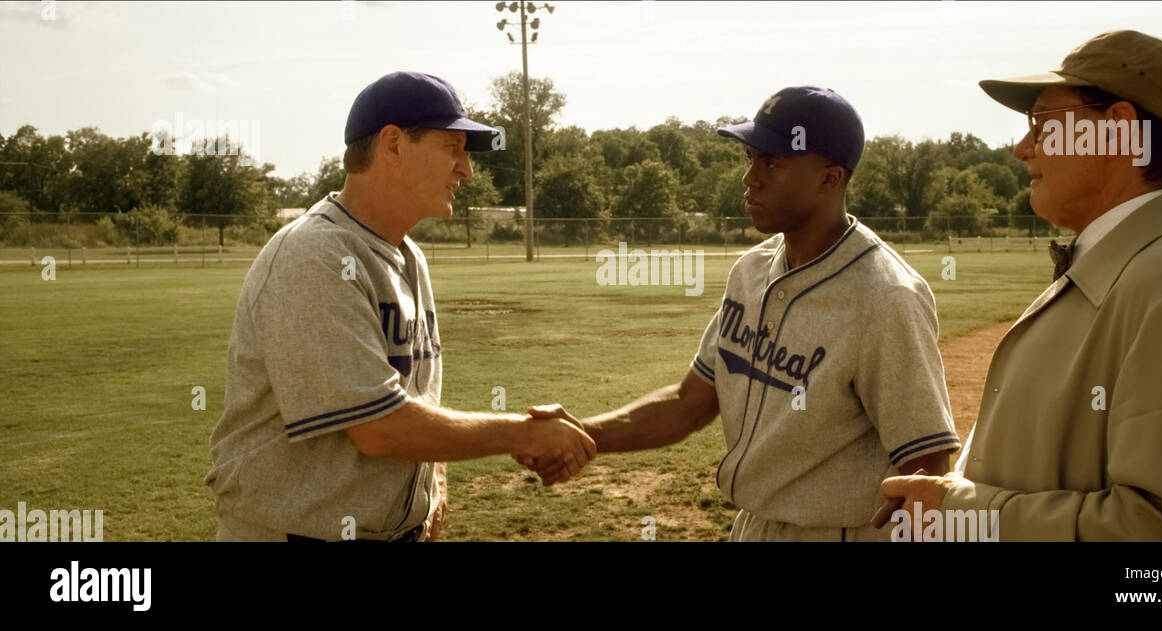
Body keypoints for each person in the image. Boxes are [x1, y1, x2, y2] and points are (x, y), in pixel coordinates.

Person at [880, 30, 1162, 541]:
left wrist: (961, 512)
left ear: (1120, 130)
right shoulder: (1141, 269)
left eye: (1042, 123)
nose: (1021, 147)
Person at [519, 86, 960, 542]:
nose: (750, 178)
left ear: (830, 178)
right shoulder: (750, 271)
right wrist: (581, 434)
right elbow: (690, 403)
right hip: (753, 526)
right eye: (751, 158)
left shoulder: (886, 297)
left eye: (772, 163)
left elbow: (926, 463)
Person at [206, 71, 595, 542]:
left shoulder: (407, 255)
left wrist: (433, 484)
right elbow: (380, 427)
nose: (466, 170)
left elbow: (411, 400)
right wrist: (524, 433)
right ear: (392, 144)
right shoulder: (315, 254)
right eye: (452, 148)